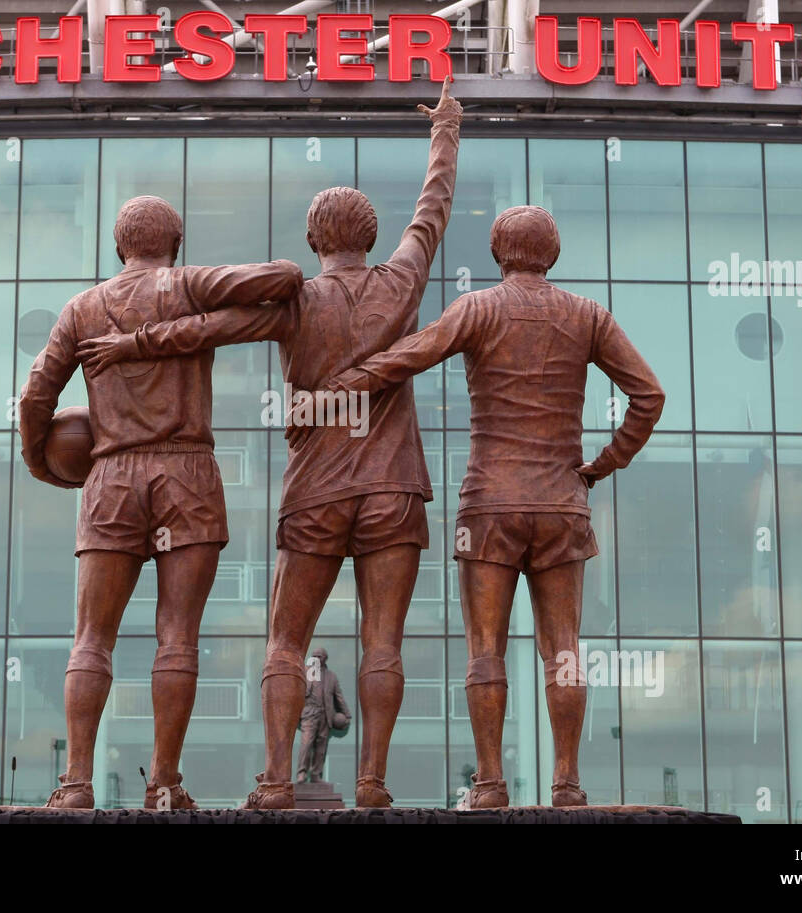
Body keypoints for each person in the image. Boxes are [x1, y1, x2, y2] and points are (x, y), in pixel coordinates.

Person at [77, 79, 463, 808]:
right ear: (371, 238)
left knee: (287, 641)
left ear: (315, 242)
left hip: (316, 489)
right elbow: (433, 209)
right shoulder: (404, 279)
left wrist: (132, 342)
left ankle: (278, 779)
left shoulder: (295, 301)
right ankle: (373, 781)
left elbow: (209, 328)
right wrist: (446, 129)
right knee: (384, 641)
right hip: (393, 487)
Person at [321, 205, 664, 808]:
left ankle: (489, 782)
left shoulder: (479, 308)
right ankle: (567, 782)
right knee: (563, 646)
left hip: (490, 504)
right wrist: (607, 461)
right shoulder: (587, 316)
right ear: (551, 255)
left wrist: (351, 379)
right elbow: (649, 395)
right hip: (562, 501)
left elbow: (414, 354)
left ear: (499, 253)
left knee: (486, 649)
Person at [18, 195, 302, 810]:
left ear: (120, 246)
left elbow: (34, 396)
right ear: (175, 242)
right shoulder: (189, 284)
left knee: (91, 638)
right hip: (186, 473)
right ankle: (164, 784)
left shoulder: (83, 307)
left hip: (112, 476)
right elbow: (285, 277)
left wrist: (42, 463)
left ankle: (75, 785)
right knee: (178, 637)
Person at [296, 647, 351, 784]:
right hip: (309, 713)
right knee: (306, 743)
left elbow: (339, 697)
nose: (316, 658)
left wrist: (347, 714)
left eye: (319, 656)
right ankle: (302, 773)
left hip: (325, 715)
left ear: (325, 659)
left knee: (321, 748)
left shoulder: (331, 676)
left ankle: (315, 775)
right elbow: (295, 694)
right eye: (314, 656)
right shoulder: (304, 673)